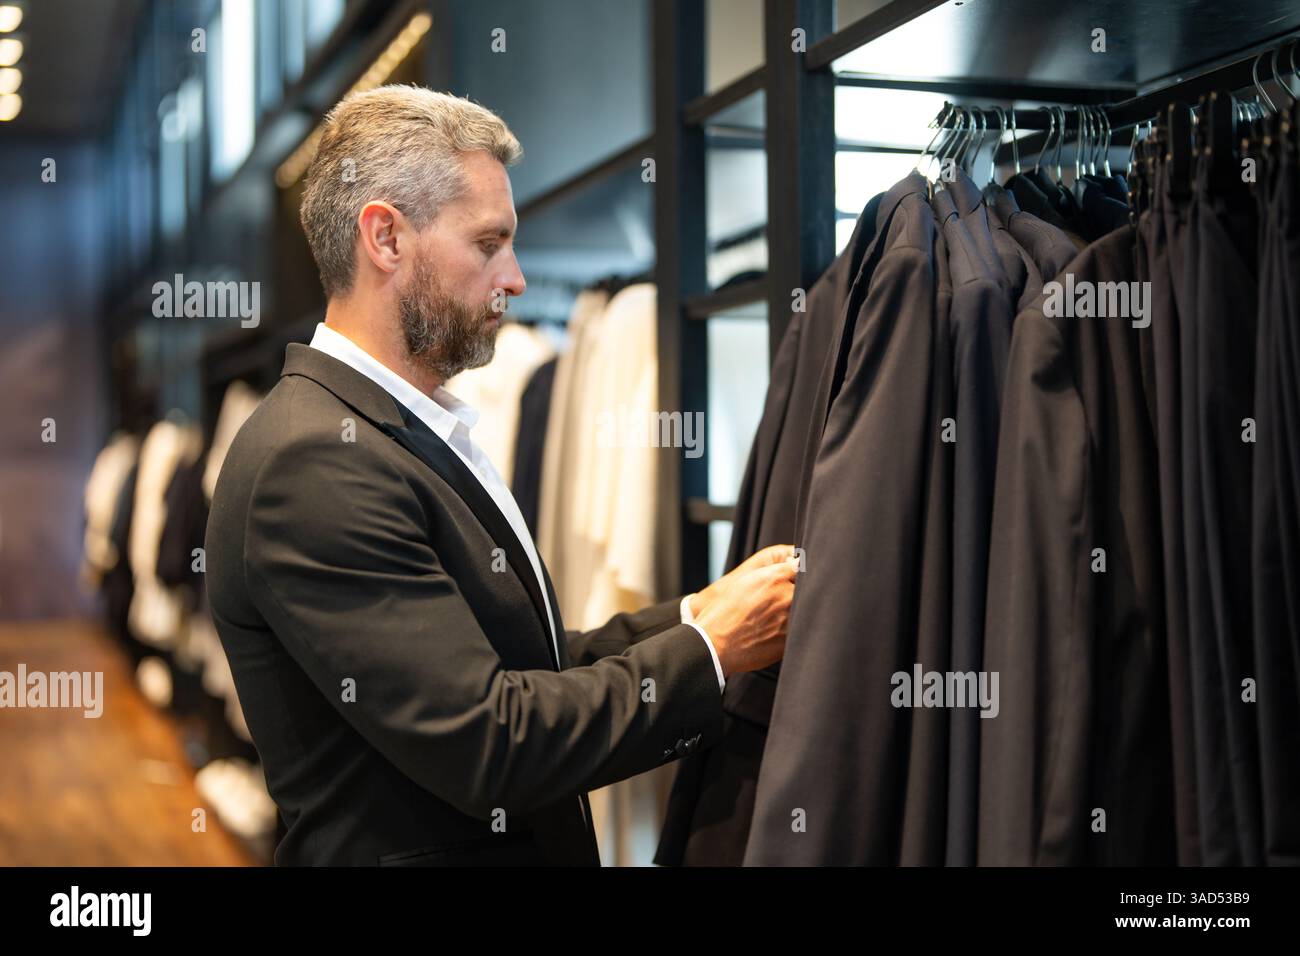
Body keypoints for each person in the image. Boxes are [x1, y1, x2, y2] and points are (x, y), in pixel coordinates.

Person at [204, 85, 796, 866]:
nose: (515, 278)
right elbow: (490, 743)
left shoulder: (399, 430)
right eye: (489, 244)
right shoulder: (315, 462)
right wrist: (709, 649)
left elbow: (526, 667)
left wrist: (695, 614)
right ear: (384, 237)